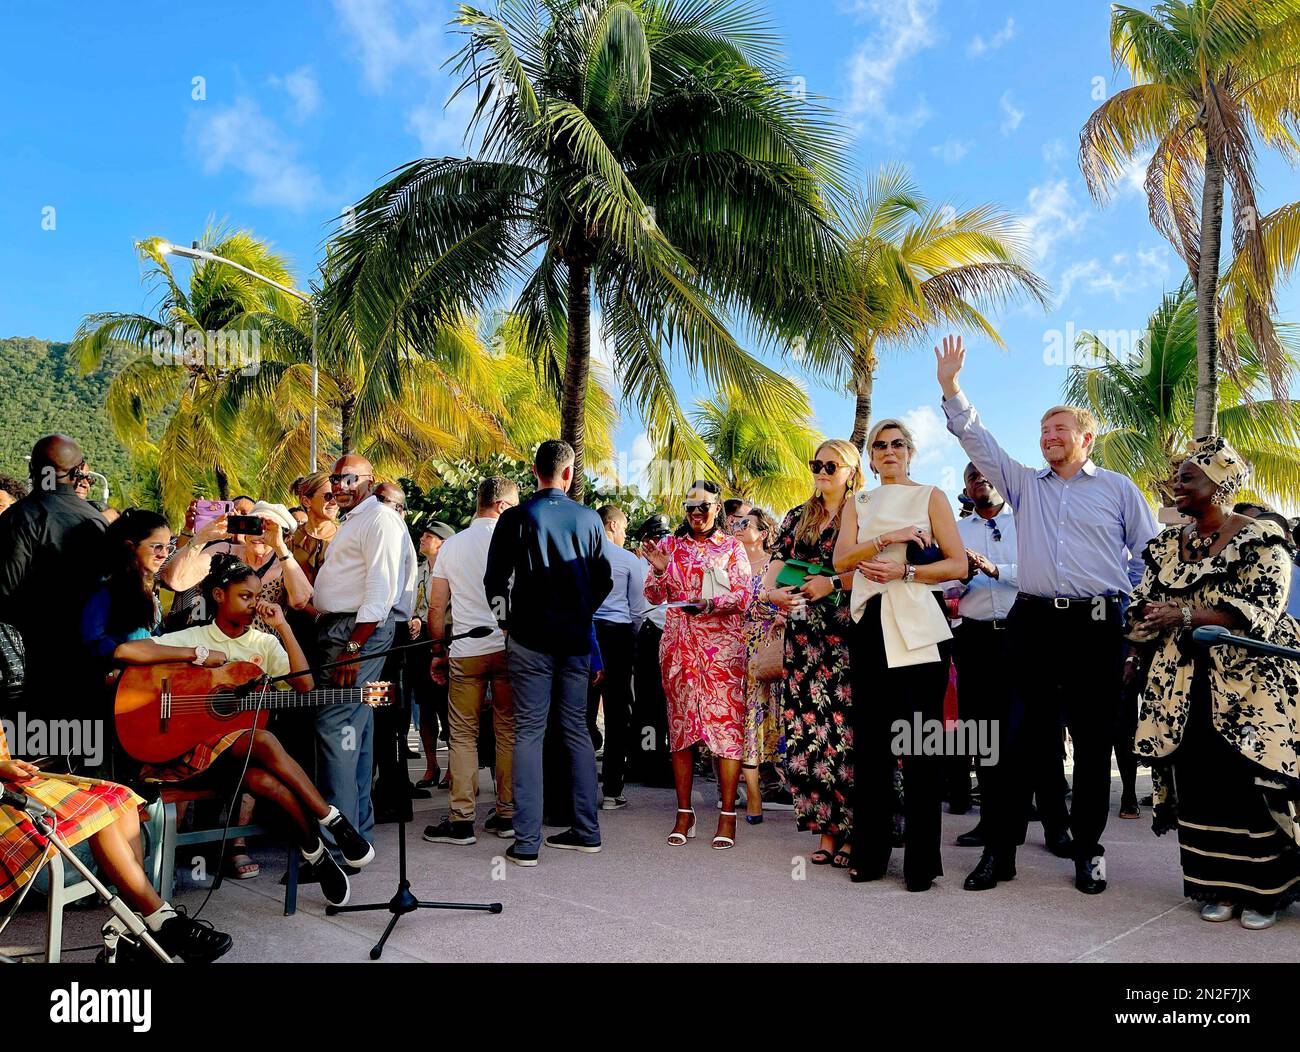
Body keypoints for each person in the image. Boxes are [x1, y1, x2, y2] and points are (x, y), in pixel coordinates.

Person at [937, 334, 1158, 894]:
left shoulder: (1118, 488)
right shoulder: (1023, 486)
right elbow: (977, 440)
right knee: (1016, 741)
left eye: (1059, 428)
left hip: (1094, 629)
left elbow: (1150, 555)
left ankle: (1088, 852)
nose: (1048, 436)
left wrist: (1118, 606)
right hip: (1032, 624)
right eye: (1043, 429)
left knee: (1090, 743)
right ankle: (1000, 854)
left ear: (1086, 438)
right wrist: (952, 388)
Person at [1129, 440, 1300, 929]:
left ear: (1219, 485)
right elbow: (1144, 596)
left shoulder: (1262, 538)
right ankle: (1218, 886)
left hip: (1251, 684)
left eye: (1188, 478)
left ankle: (1266, 894)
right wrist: (1145, 619)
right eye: (1177, 478)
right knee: (1200, 780)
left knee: (1249, 780)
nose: (1176, 486)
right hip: (1180, 684)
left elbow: (1263, 610)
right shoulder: (1166, 544)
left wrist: (1185, 612)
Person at [139, 560, 376, 908]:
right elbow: (142, 651)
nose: (253, 604)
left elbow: (305, 686)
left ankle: (317, 854)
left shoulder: (264, 644)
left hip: (239, 760)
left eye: (256, 597)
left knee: (266, 780)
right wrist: (196, 656)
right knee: (260, 738)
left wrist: (283, 628)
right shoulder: (196, 637)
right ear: (219, 595)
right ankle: (330, 818)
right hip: (193, 756)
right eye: (244, 596)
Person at [832, 420, 966, 891]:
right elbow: (841, 561)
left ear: (911, 451)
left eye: (898, 444)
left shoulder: (932, 496)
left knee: (920, 748)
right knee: (871, 748)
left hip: (918, 629)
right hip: (870, 626)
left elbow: (958, 564)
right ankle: (870, 855)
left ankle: (921, 863)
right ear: (869, 457)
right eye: (880, 445)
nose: (889, 451)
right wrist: (889, 538)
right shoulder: (857, 503)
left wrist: (906, 570)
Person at [1, 721, 234, 962]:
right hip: (4, 803)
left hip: (10, 788)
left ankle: (135, 921)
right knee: (100, 815)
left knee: (120, 798)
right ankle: (161, 921)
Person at [484, 440, 612, 867]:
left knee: (529, 733)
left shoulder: (516, 517)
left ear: (534, 471)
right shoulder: (590, 519)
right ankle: (586, 830)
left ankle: (526, 842)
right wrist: (579, 610)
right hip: (574, 639)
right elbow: (603, 580)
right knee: (576, 729)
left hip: (529, 638)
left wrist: (505, 621)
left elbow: (495, 581)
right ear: (569, 474)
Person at [950, 463, 1071, 855]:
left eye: (985, 474)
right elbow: (943, 582)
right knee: (984, 735)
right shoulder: (957, 530)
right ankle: (991, 823)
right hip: (976, 639)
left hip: (1030, 636)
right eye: (972, 476)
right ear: (966, 487)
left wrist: (996, 568)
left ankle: (1057, 828)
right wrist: (961, 576)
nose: (979, 480)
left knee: (1041, 732)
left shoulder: (1028, 522)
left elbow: (1047, 573)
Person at [760, 440, 861, 867]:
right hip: (802, 639)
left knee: (848, 738)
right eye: (816, 464)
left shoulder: (864, 513)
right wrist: (773, 597)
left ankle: (856, 829)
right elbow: (771, 574)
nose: (821, 471)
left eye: (831, 465)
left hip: (847, 638)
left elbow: (874, 570)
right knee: (808, 735)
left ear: (851, 471)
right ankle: (825, 830)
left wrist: (833, 583)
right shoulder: (797, 517)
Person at [642, 480, 752, 849]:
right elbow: (653, 595)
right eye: (690, 508)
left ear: (717, 508)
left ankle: (727, 816)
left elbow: (744, 595)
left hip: (723, 653)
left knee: (726, 732)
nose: (697, 514)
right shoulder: (670, 546)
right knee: (681, 729)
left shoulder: (732, 548)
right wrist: (659, 571)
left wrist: (710, 604)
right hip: (680, 650)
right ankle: (684, 813)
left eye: (704, 507)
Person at [311, 454, 407, 855]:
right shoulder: (360, 520)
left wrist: (353, 648)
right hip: (346, 629)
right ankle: (358, 836)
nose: (340, 486)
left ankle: (338, 846)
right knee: (355, 731)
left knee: (336, 731)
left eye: (349, 478)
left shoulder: (380, 519)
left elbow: (380, 592)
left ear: (370, 480)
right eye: (336, 479)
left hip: (356, 632)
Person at [423, 477, 520, 846]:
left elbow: (436, 606)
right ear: (500, 506)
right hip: (508, 647)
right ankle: (507, 814)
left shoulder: (452, 546)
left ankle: (461, 820)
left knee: (462, 734)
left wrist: (437, 651)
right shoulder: (516, 540)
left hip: (465, 650)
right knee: (507, 730)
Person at [0, 435, 108, 719]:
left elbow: (4, 588)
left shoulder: (19, 517)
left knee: (33, 750)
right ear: (79, 471)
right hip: (88, 654)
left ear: (33, 470)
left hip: (33, 658)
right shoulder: (97, 520)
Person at [162, 502, 311, 634]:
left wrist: (280, 548)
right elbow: (174, 581)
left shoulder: (285, 564)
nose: (258, 534)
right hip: (210, 639)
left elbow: (300, 601)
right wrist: (202, 537)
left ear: (285, 536)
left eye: (268, 528)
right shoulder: (223, 551)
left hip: (260, 649)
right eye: (253, 525)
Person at [589, 505, 650, 810]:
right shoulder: (627, 560)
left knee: (582, 711)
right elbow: (637, 608)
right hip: (618, 635)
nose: (626, 534)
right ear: (612, 525)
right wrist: (635, 639)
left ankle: (583, 787)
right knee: (617, 713)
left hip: (586, 635)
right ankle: (613, 789)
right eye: (624, 528)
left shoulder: (583, 555)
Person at [370, 482, 422, 823]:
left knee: (386, 718)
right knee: (385, 720)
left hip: (388, 635)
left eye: (381, 501)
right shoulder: (392, 531)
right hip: (390, 633)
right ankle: (390, 790)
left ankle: (392, 795)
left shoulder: (393, 533)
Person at [735, 507, 784, 824]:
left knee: (762, 723)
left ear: (763, 533)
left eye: (744, 524)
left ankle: (768, 788)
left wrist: (783, 615)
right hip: (734, 649)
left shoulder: (776, 565)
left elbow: (797, 602)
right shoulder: (731, 564)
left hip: (765, 651)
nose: (737, 528)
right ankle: (750, 794)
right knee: (740, 723)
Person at [630, 514, 674, 788]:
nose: (660, 542)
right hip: (649, 634)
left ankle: (652, 759)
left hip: (669, 636)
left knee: (663, 703)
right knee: (649, 704)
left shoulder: (673, 562)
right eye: (656, 537)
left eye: (664, 536)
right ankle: (649, 762)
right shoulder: (638, 565)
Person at [412, 521, 456, 789]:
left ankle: (454, 766)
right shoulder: (416, 572)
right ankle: (431, 765)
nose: (422, 539)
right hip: (419, 640)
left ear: (442, 543)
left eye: (429, 536)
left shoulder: (451, 571)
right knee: (425, 706)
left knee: (449, 707)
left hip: (446, 637)